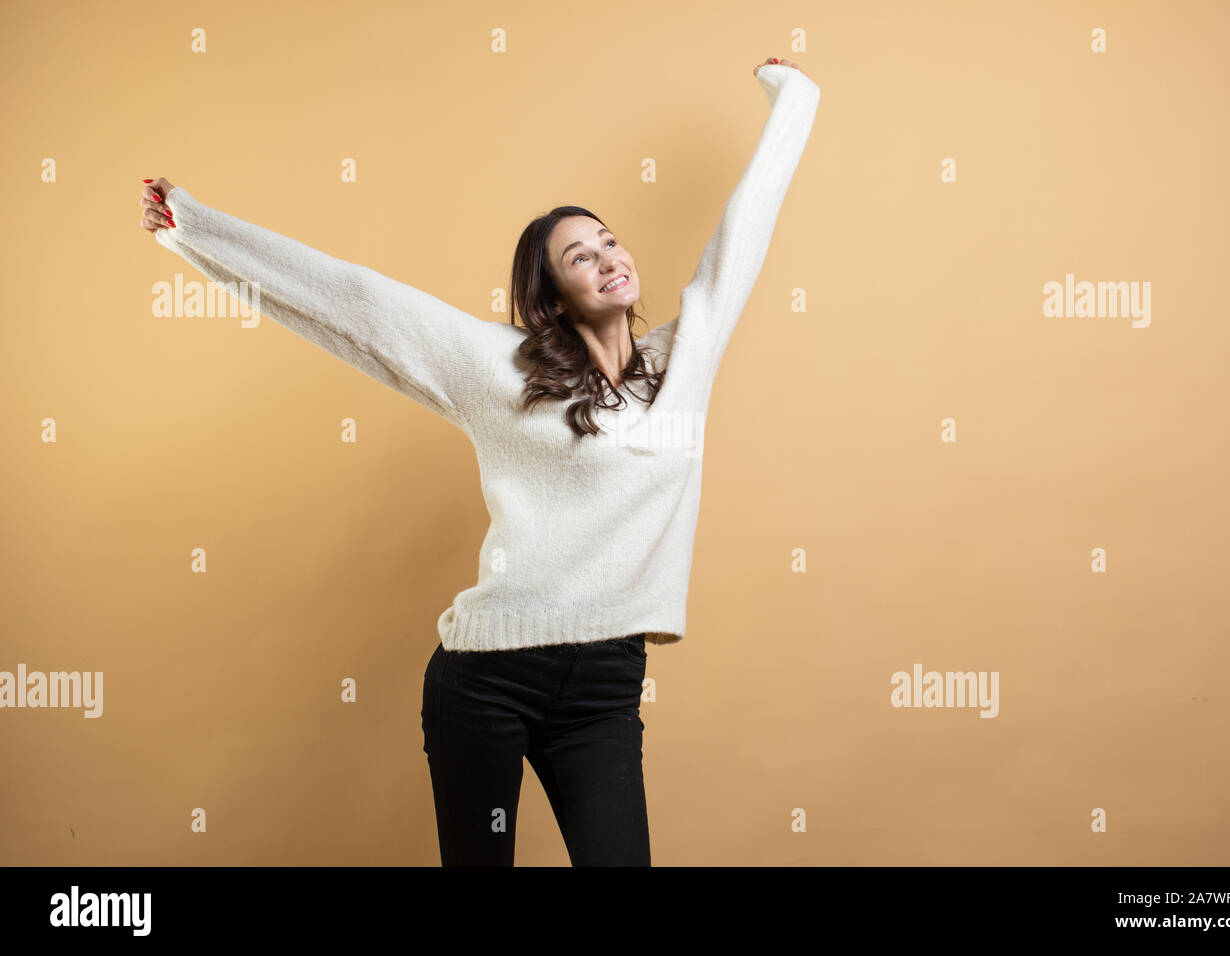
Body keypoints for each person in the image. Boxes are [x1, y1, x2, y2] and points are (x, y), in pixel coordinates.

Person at [140, 57, 820, 866]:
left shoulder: (684, 360)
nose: (607, 257)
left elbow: (743, 234)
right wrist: (199, 234)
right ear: (552, 297)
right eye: (579, 257)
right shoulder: (503, 371)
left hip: (605, 688)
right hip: (487, 680)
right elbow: (359, 304)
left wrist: (795, 102)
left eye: (608, 241)